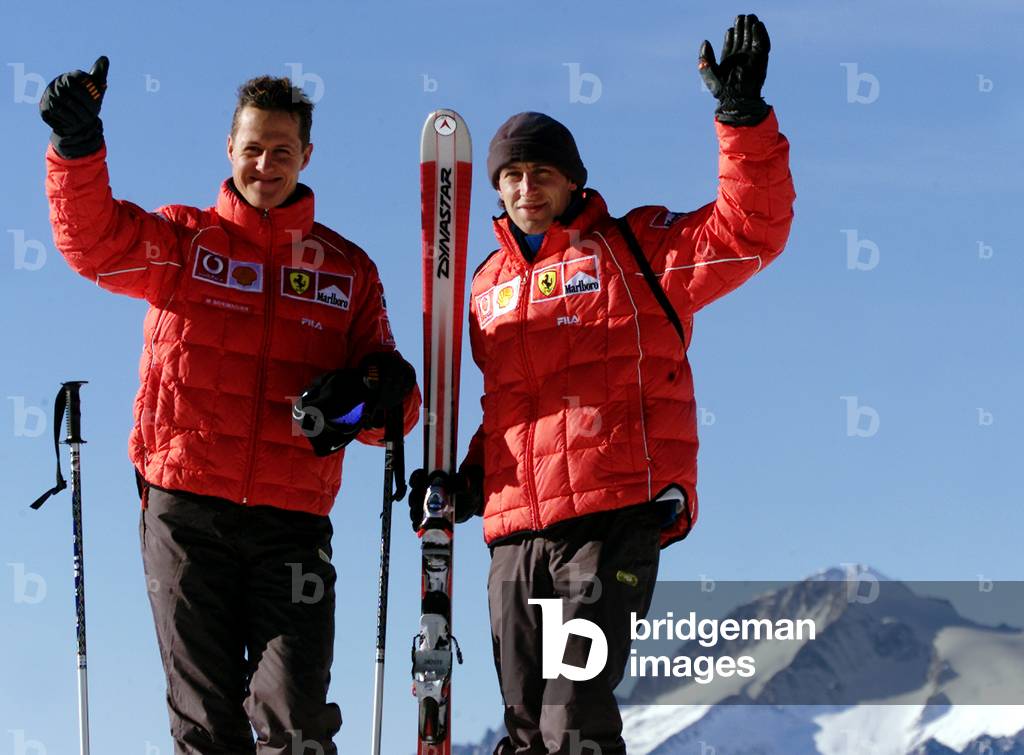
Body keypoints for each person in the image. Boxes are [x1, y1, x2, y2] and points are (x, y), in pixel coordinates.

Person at [411, 14, 796, 754]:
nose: (527, 188)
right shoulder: (487, 285)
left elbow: (751, 231)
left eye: (543, 173)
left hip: (613, 515)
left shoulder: (637, 249)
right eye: (512, 176)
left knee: (574, 711)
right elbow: (508, 409)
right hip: (515, 528)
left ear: (572, 180)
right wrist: (465, 482)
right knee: (525, 726)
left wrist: (741, 122)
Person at [40, 57, 420, 754]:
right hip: (186, 513)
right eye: (253, 149)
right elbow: (93, 244)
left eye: (282, 150)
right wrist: (76, 147)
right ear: (229, 149)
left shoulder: (346, 269)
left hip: (293, 525)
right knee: (206, 723)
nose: (266, 164)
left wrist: (369, 393)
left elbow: (394, 406)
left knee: (295, 718)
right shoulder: (182, 241)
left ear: (307, 154)